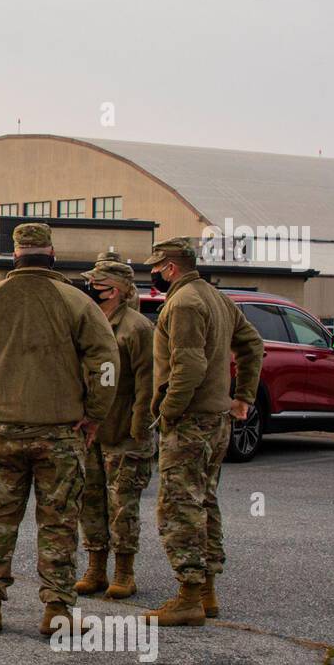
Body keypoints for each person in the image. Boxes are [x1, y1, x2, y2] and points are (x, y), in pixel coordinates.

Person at [0, 223, 118, 636]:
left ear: (15, 255)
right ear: (51, 253)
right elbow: (106, 363)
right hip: (59, 433)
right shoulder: (77, 302)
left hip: (0, 431)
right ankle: (56, 612)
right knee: (58, 524)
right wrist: (94, 413)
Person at [144, 237, 263, 625]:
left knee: (179, 506)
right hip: (216, 420)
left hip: (191, 420)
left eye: (157, 268)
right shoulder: (216, 298)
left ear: (171, 267)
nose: (154, 275)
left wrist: (168, 410)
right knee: (204, 502)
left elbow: (189, 366)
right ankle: (206, 592)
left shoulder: (184, 304)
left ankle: (189, 596)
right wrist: (242, 396)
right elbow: (252, 344)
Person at [73, 254, 155, 599]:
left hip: (124, 432)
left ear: (116, 290)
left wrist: (139, 428)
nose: (90, 288)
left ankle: (124, 572)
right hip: (90, 430)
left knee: (122, 506)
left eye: (98, 284)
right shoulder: (89, 322)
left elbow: (148, 383)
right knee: (90, 501)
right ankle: (95, 568)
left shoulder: (137, 328)